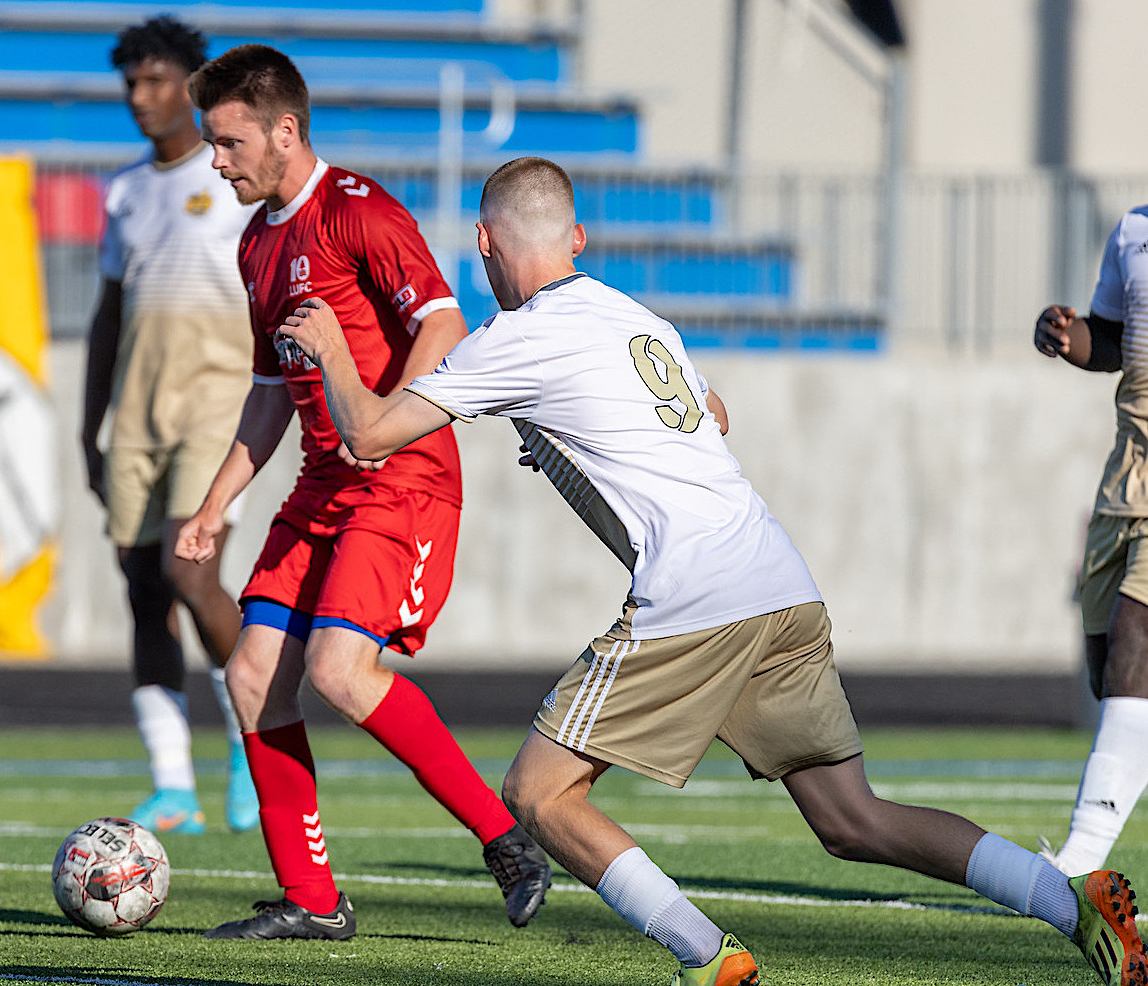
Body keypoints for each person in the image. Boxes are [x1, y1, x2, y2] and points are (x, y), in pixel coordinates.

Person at [276, 155, 1147, 986]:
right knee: (853, 819)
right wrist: (580, 446)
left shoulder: (517, 337)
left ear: (484, 244)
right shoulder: (638, 318)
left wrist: (332, 348)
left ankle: (702, 952)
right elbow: (712, 416)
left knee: (537, 795)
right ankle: (1070, 903)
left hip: (694, 598)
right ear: (577, 240)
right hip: (780, 581)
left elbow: (369, 435)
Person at [174, 44, 551, 941]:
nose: (216, 162)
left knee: (341, 673)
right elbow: (270, 393)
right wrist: (216, 501)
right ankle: (311, 899)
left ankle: (506, 840)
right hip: (322, 481)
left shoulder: (359, 214)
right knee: (253, 672)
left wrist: (382, 419)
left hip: (403, 479)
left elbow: (446, 325)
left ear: (285, 130)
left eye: (227, 143)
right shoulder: (257, 243)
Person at [80, 16, 259, 836]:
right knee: (143, 589)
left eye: (156, 82)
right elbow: (109, 317)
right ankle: (172, 785)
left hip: (216, 408)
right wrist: (92, 427)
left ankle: (255, 744)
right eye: (131, 84)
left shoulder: (229, 183)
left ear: (193, 86)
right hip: (138, 418)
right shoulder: (124, 191)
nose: (140, 98)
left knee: (191, 575)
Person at [1034, 205, 1148, 879]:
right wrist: (1069, 336)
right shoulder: (1133, 230)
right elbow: (1110, 338)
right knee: (1107, 663)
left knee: (1137, 641)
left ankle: (1078, 863)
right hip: (1127, 473)